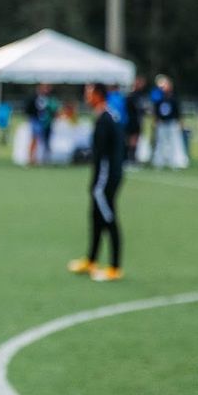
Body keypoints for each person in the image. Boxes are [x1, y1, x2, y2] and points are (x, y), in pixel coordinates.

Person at [67, 83, 126, 282]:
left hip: (106, 177)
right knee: (96, 217)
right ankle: (91, 259)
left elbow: (100, 153)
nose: (86, 97)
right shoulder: (108, 115)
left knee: (108, 218)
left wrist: (96, 183)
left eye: (89, 93)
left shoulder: (105, 118)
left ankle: (115, 267)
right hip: (106, 175)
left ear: (98, 95)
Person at [151, 74, 189, 169]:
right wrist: (155, 121)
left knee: (174, 143)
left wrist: (180, 123)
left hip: (172, 123)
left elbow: (178, 112)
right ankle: (159, 161)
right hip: (162, 123)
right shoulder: (159, 99)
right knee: (161, 143)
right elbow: (156, 111)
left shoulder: (174, 98)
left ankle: (176, 161)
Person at [24, 83, 59, 165]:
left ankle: (45, 159)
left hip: (47, 122)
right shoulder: (34, 97)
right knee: (34, 139)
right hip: (36, 120)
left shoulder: (50, 98)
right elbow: (28, 109)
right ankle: (31, 159)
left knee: (46, 141)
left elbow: (54, 110)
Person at [124, 76, 148, 163]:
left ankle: (132, 158)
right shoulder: (131, 96)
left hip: (137, 121)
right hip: (131, 121)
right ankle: (129, 158)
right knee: (131, 140)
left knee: (135, 140)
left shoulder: (141, 95)